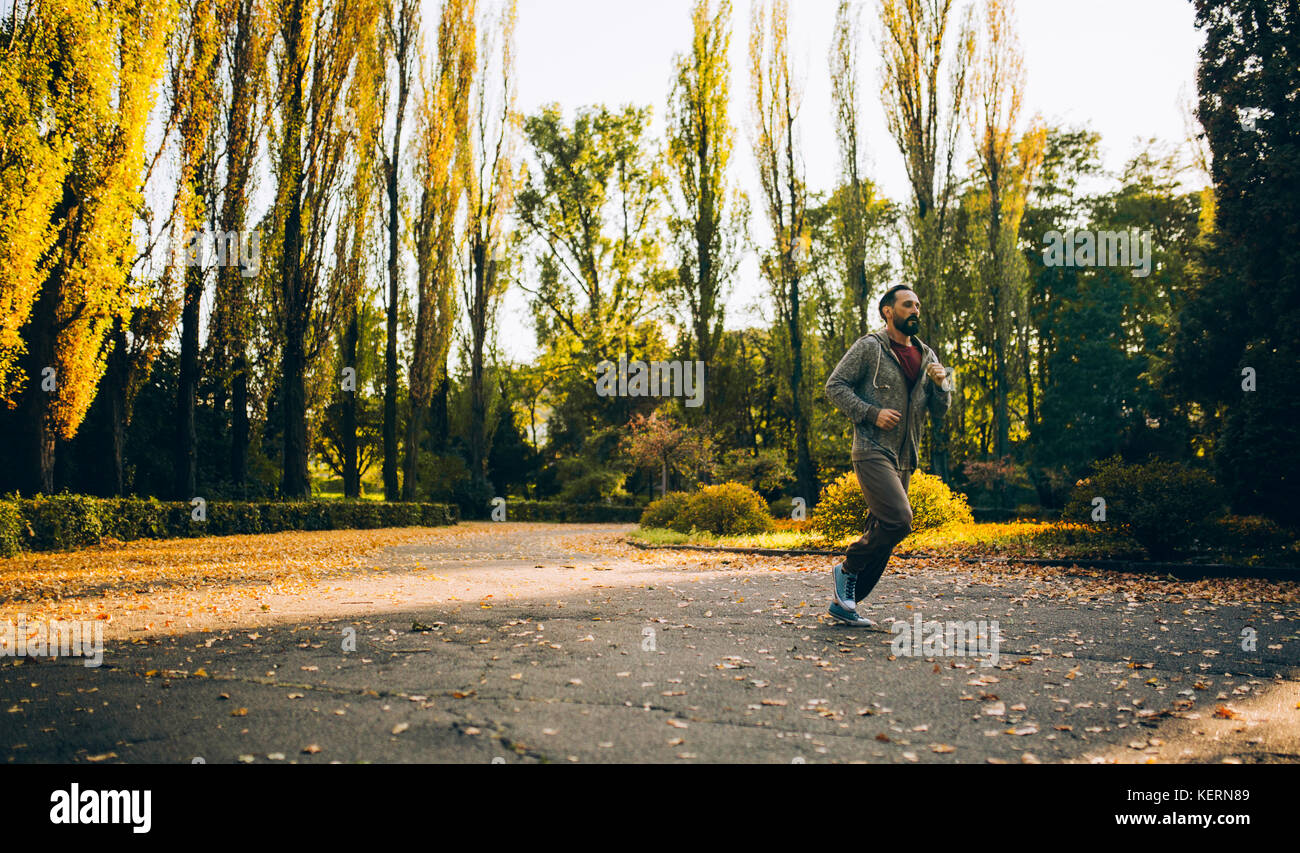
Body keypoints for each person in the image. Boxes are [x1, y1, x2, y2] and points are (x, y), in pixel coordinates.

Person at [822, 285, 951, 627]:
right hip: (871, 449)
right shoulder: (869, 347)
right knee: (899, 519)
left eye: (918, 304)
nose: (915, 310)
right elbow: (835, 387)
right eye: (908, 304)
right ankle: (847, 567)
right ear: (888, 311)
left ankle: (845, 603)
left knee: (883, 529)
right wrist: (870, 412)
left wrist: (942, 385)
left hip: (906, 455)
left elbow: (940, 410)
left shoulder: (927, 355)